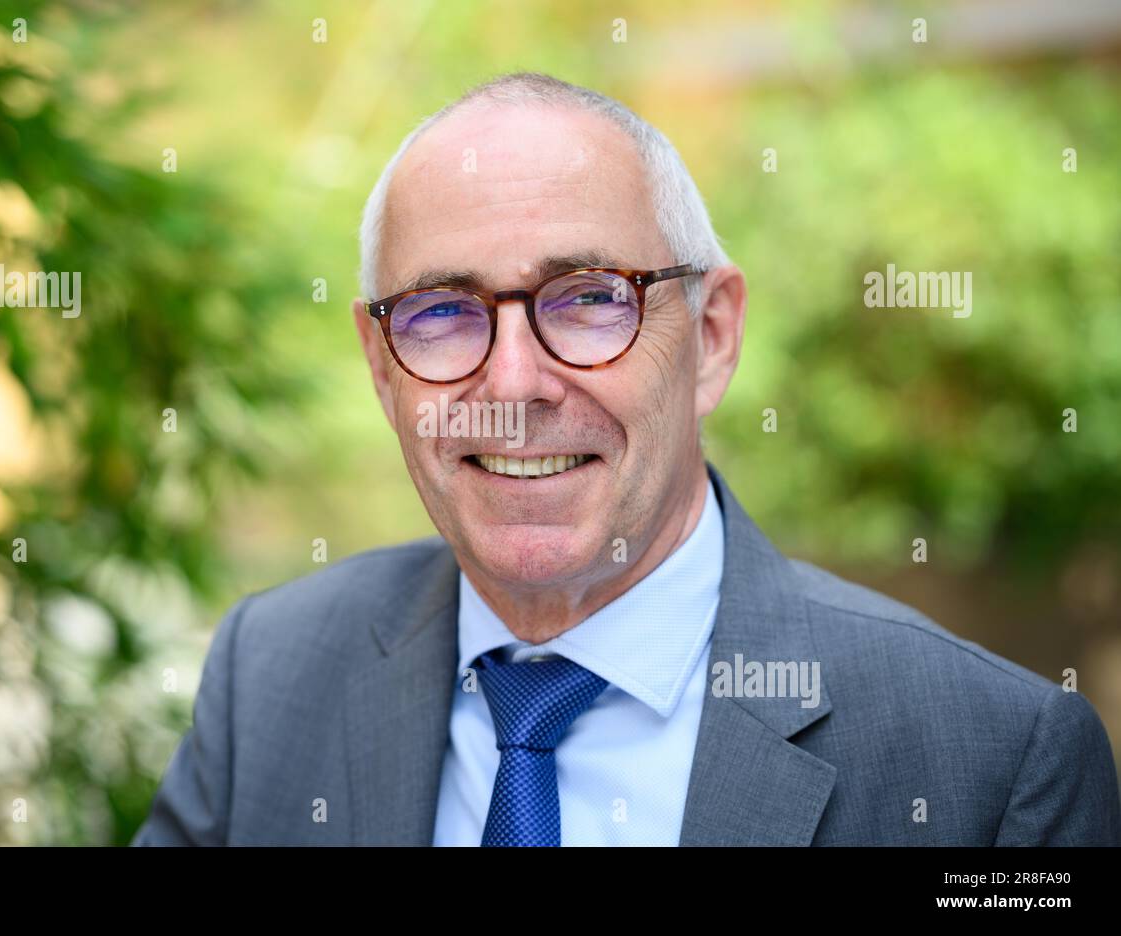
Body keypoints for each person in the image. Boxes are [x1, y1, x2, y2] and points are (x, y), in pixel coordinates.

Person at [133, 72, 1120, 846]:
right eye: (441, 314)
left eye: (588, 299)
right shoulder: (272, 672)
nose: (513, 385)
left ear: (713, 335)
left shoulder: (991, 763)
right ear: (380, 369)